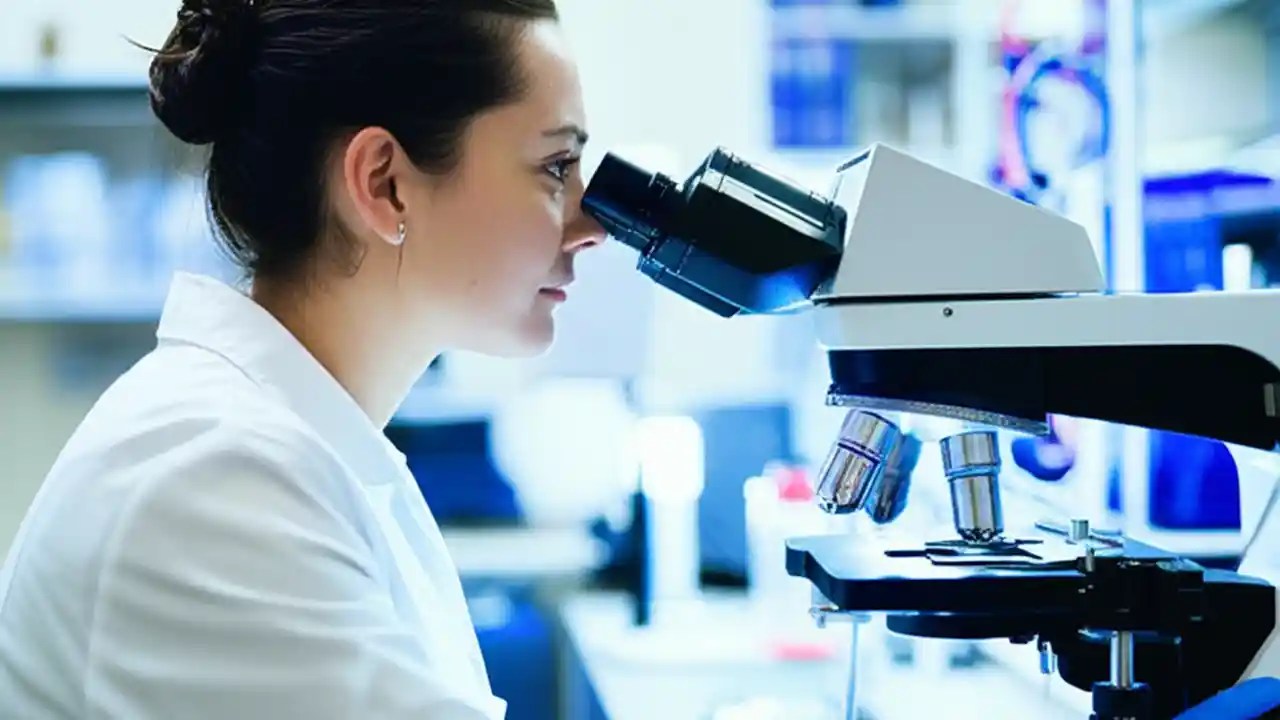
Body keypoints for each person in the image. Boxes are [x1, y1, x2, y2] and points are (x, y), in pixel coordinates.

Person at [0, 0, 605, 717]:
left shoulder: (310, 452)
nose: (591, 224)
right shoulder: (217, 482)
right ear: (383, 183)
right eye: (555, 166)